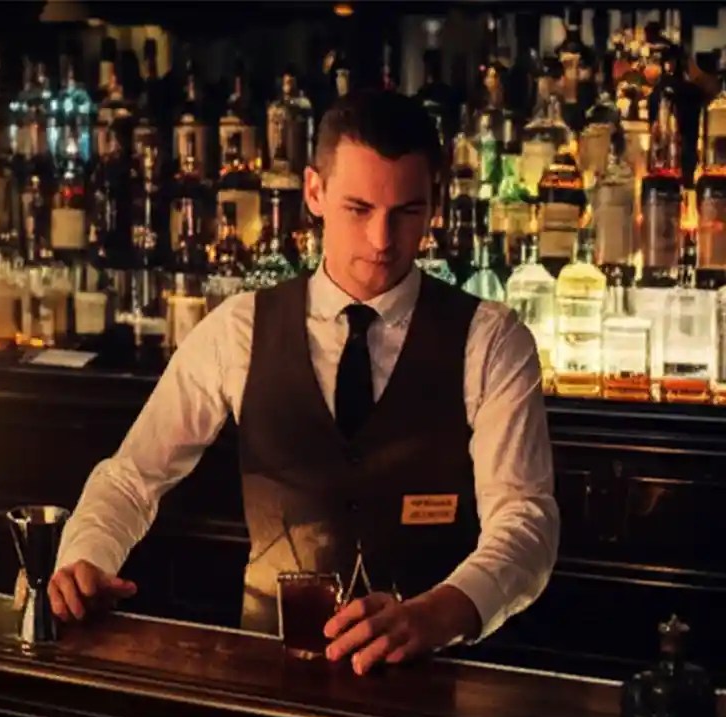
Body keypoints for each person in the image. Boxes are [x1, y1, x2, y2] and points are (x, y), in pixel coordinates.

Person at [50, 89, 559, 676]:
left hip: (434, 679)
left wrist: (440, 612)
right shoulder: (239, 328)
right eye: (358, 209)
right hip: (269, 671)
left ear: (436, 203)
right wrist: (85, 557)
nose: (381, 241)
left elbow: (526, 519)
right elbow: (133, 476)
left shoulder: (491, 339)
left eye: (407, 212)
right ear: (314, 191)